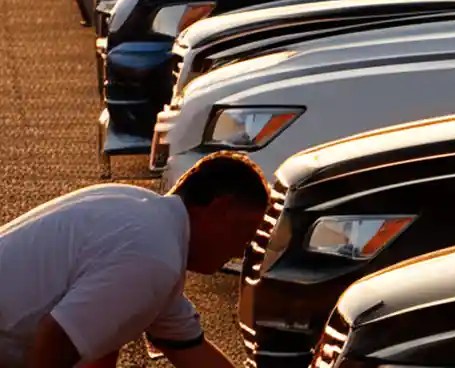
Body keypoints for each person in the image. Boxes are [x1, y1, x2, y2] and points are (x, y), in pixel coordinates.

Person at [0, 152, 268, 368]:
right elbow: (56, 340)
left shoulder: (143, 213)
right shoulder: (153, 256)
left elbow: (189, 349)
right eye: (244, 232)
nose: (238, 251)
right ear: (220, 208)